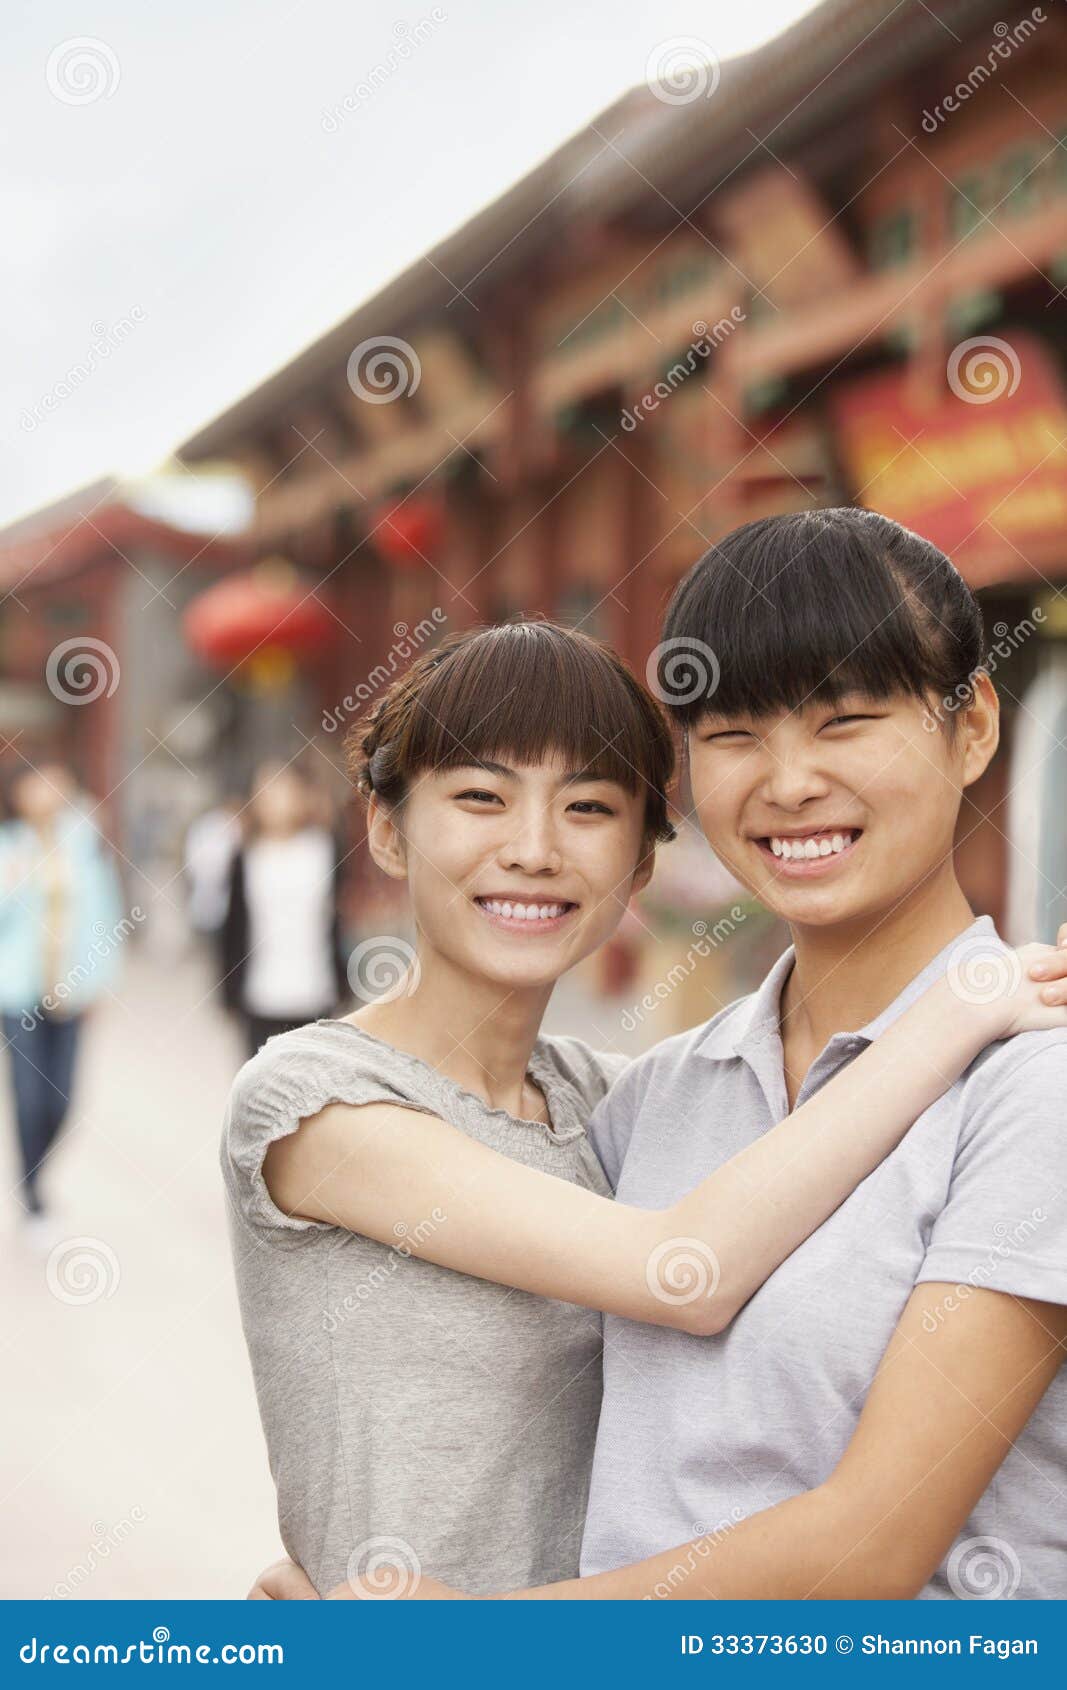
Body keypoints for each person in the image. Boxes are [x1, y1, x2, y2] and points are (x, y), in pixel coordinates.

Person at [222, 617, 1067, 1601]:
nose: (532, 849)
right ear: (384, 826)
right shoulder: (312, 1102)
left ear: (638, 865)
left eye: (587, 807)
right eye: (480, 797)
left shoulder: (618, 1104)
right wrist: (954, 1010)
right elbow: (685, 1271)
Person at [0, 761, 124, 1247]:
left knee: (63, 1100)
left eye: (55, 783)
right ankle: (33, 1195)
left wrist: (101, 981)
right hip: (19, 994)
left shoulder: (82, 844)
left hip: (71, 991)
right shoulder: (9, 845)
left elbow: (105, 914)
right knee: (29, 1097)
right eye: (37, 785)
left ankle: (36, 1174)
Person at [220, 761, 349, 1058]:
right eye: (265, 792)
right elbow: (232, 926)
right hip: (260, 994)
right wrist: (228, 992)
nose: (274, 801)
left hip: (315, 992)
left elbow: (340, 915)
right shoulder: (245, 856)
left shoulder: (323, 848)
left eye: (282, 791)